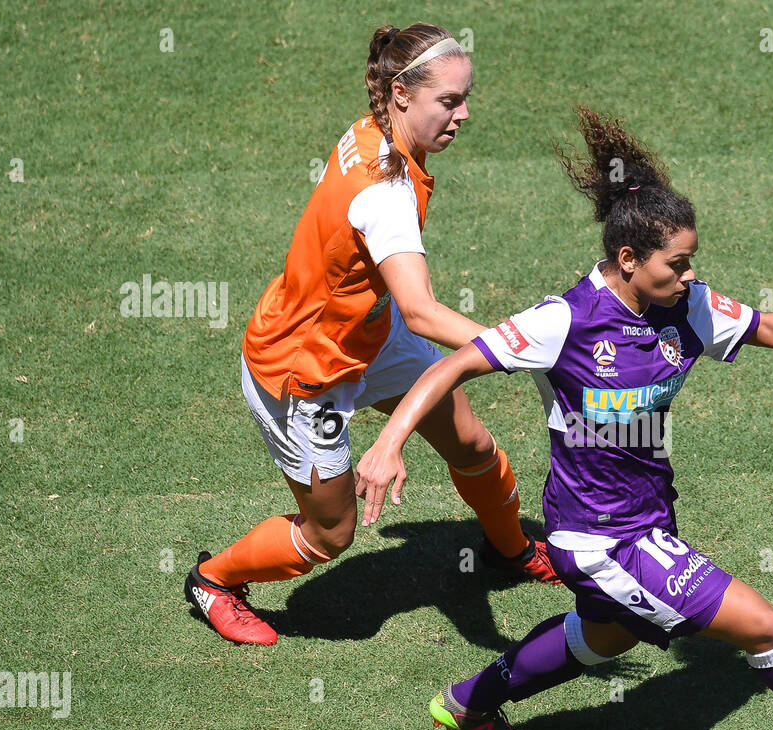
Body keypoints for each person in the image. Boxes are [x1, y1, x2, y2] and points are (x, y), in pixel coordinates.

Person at [355, 107, 773, 730]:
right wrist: (389, 442)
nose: (689, 276)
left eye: (692, 263)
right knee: (765, 627)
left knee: (606, 637)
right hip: (601, 538)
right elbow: (460, 363)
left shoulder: (684, 306)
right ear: (629, 258)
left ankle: (466, 703)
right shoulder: (567, 322)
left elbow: (764, 328)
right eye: (678, 263)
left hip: (646, 516)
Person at [186, 23, 559, 648]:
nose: (464, 114)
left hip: (368, 333)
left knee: (469, 442)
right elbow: (422, 312)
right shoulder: (385, 191)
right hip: (304, 369)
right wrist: (527, 349)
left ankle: (510, 550)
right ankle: (212, 581)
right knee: (330, 535)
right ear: (402, 94)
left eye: (466, 97)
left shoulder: (373, 129)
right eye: (450, 101)